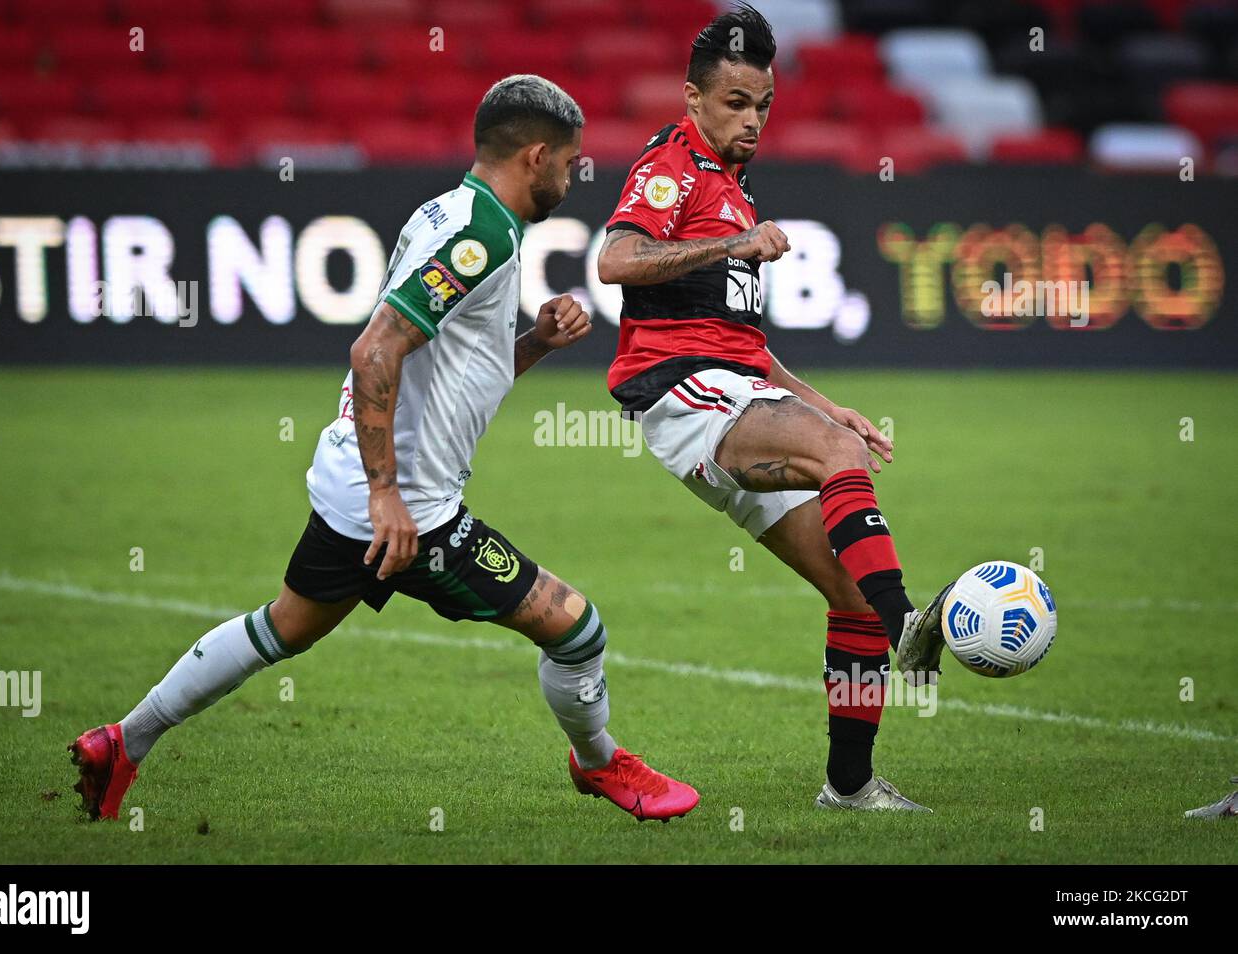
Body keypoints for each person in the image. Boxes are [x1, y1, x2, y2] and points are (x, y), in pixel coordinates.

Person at [71, 74, 699, 825]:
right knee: (577, 630)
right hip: (410, 510)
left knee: (282, 627)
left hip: (352, 482)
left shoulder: (453, 211)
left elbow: (448, 369)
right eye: (570, 161)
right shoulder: (483, 235)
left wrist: (534, 341)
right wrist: (388, 496)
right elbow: (375, 351)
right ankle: (599, 765)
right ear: (536, 156)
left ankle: (123, 743)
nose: (573, 175)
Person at [596, 4, 952, 811]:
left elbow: (747, 348)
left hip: (737, 389)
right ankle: (910, 627)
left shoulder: (735, 186)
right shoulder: (673, 166)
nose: (751, 120)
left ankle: (851, 786)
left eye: (762, 104)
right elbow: (616, 259)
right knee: (840, 464)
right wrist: (731, 243)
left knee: (849, 587)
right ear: (692, 99)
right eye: (734, 103)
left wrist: (830, 406)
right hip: (682, 393)